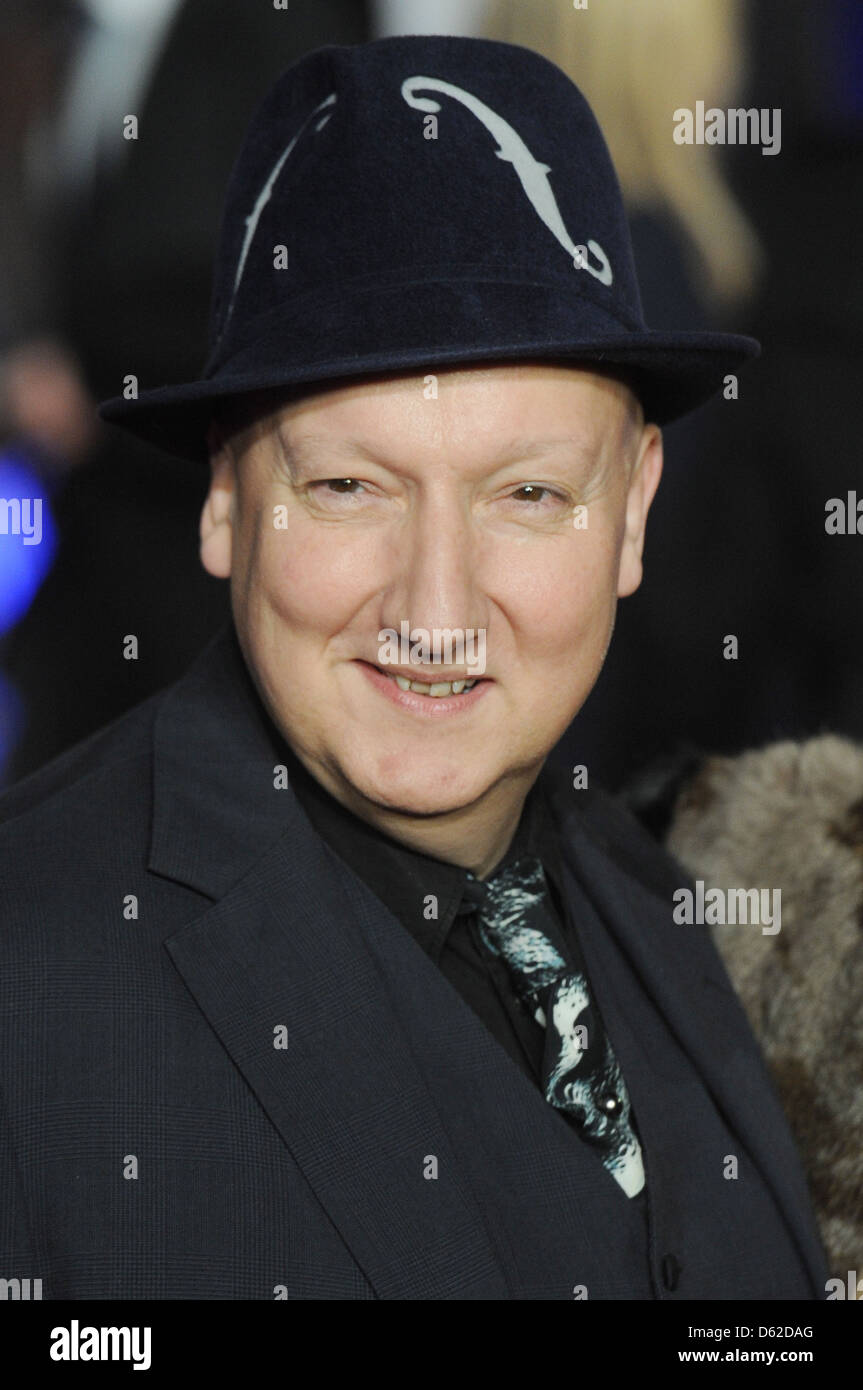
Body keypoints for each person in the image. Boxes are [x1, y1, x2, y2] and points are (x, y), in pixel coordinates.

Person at [0, 34, 828, 1300]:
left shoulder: (676, 909)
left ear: (631, 513)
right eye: (347, 487)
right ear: (225, 498)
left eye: (528, 493)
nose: (434, 603)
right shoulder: (29, 977)